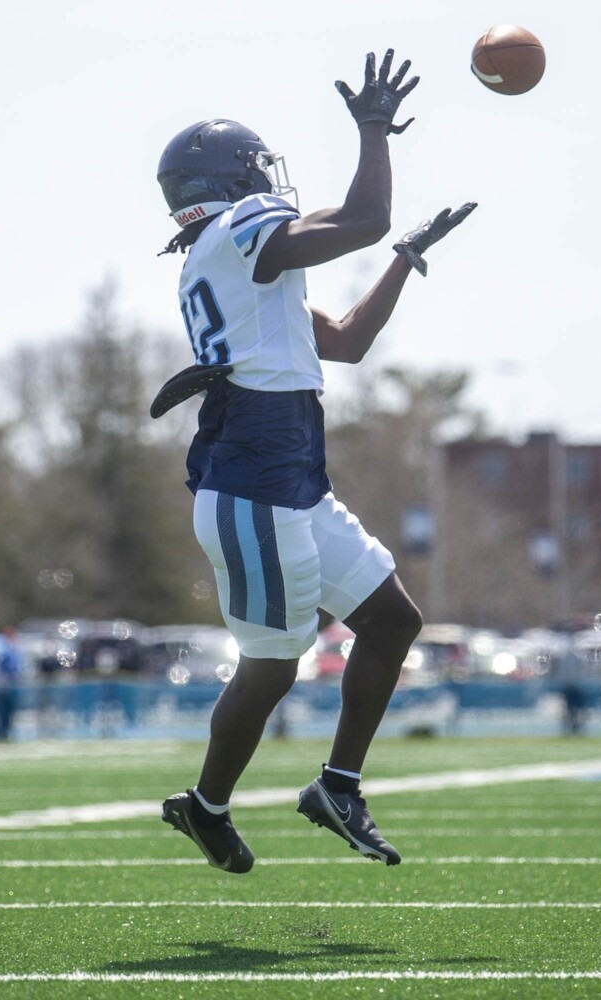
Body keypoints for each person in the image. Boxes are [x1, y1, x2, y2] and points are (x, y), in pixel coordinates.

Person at [151, 50, 476, 873]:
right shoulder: (235, 234)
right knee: (273, 665)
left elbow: (350, 344)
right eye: (256, 170)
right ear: (231, 182)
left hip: (292, 478)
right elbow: (357, 219)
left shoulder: (235, 259)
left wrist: (401, 258)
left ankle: (337, 785)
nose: (269, 182)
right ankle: (207, 804)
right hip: (252, 485)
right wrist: (373, 131)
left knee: (394, 620)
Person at [0, 624, 24, 742]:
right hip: (4, 685)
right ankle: (1, 733)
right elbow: (2, 665)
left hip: (13, 685)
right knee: (2, 711)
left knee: (11, 711)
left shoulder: (14, 648)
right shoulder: (1, 647)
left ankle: (8, 733)